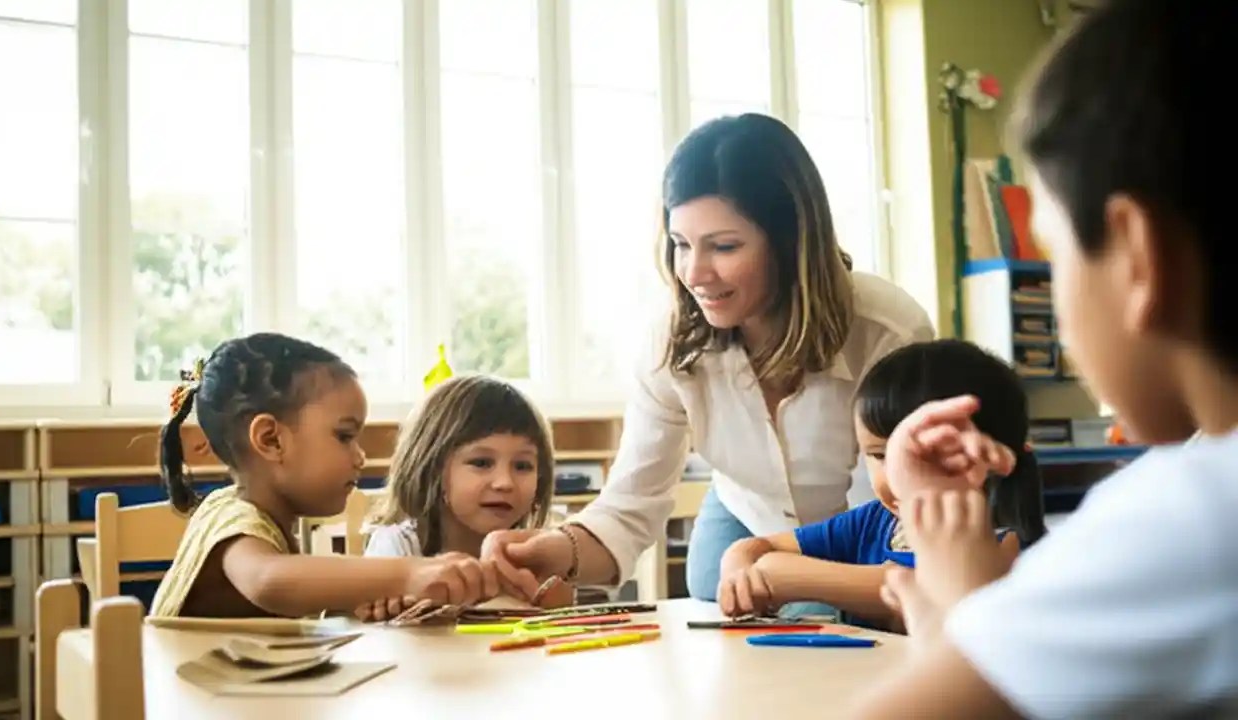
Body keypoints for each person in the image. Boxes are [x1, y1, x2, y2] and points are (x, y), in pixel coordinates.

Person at [854, 2, 1238, 717]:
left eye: (1055, 255)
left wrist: (961, 618)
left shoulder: (1189, 519)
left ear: (1135, 258)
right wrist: (967, 624)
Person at [482, 113, 934, 605]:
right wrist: (557, 550)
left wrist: (784, 571)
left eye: (724, 246)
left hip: (859, 527)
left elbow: (884, 533)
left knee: (814, 610)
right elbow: (629, 507)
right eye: (680, 245)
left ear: (791, 241)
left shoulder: (888, 331)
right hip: (745, 506)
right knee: (713, 603)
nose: (695, 273)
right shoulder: (670, 344)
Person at [149, 333, 500, 618]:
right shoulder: (233, 517)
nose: (361, 456)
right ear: (271, 440)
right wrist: (409, 573)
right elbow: (270, 582)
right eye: (344, 436)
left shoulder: (266, 521)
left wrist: (365, 600)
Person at [715, 339, 1045, 628]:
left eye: (925, 454)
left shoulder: (1003, 544)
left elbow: (919, 591)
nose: (895, 475)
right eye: (878, 455)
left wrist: (780, 574)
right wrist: (739, 566)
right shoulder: (874, 521)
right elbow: (759, 546)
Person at [355, 374, 555, 619]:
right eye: (481, 463)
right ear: (432, 468)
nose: (505, 483)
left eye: (523, 466)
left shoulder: (538, 551)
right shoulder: (397, 546)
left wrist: (552, 592)